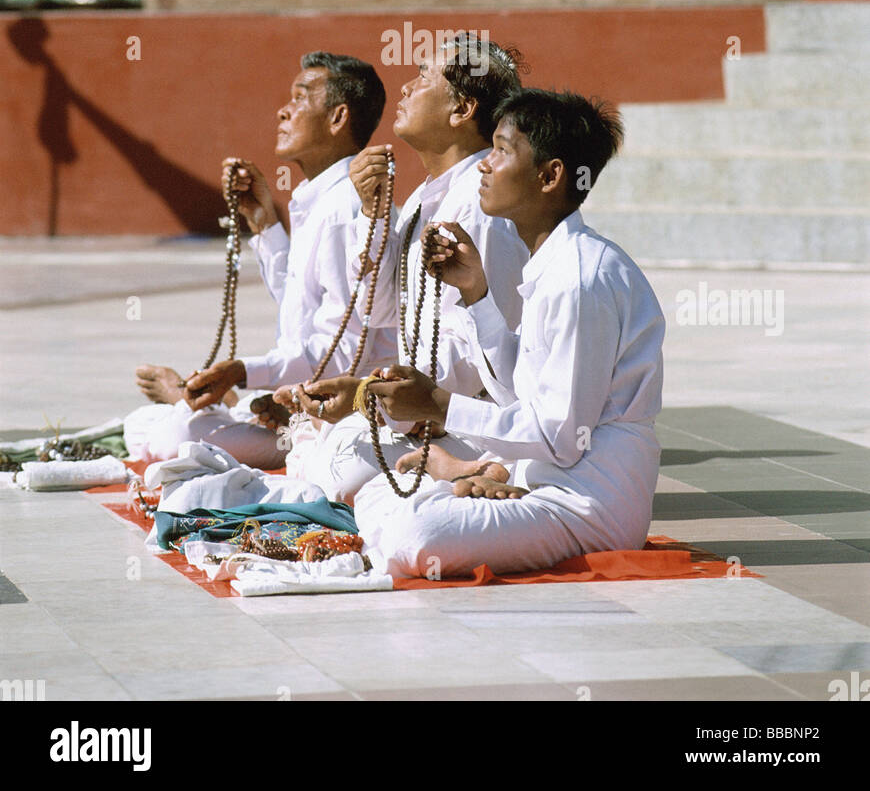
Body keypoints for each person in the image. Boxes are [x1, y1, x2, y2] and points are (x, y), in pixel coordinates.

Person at [347, 88, 665, 578]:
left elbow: (560, 438)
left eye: (501, 150)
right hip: (543, 478)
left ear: (550, 175)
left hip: (587, 502)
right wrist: (476, 293)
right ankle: (475, 480)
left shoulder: (580, 279)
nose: (484, 165)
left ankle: (470, 484)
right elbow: (521, 392)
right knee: (375, 489)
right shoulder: (555, 262)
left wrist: (438, 404)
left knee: (417, 536)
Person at [276, 33, 530, 500]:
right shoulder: (422, 199)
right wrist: (373, 215)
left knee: (334, 474)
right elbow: (379, 311)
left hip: (468, 420)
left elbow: (480, 354)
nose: (407, 88)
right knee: (321, 457)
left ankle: (469, 469)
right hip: (421, 410)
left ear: (462, 110)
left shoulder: (480, 205)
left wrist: (373, 394)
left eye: (423, 77)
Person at [124, 52, 394, 469]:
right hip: (300, 395)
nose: (283, 111)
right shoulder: (318, 197)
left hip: (342, 413)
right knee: (142, 425)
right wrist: (265, 223)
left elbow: (340, 357)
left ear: (338, 117)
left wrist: (240, 371)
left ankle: (221, 403)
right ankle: (228, 405)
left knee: (173, 436)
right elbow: (301, 306)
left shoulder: (344, 206)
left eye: (301, 98)